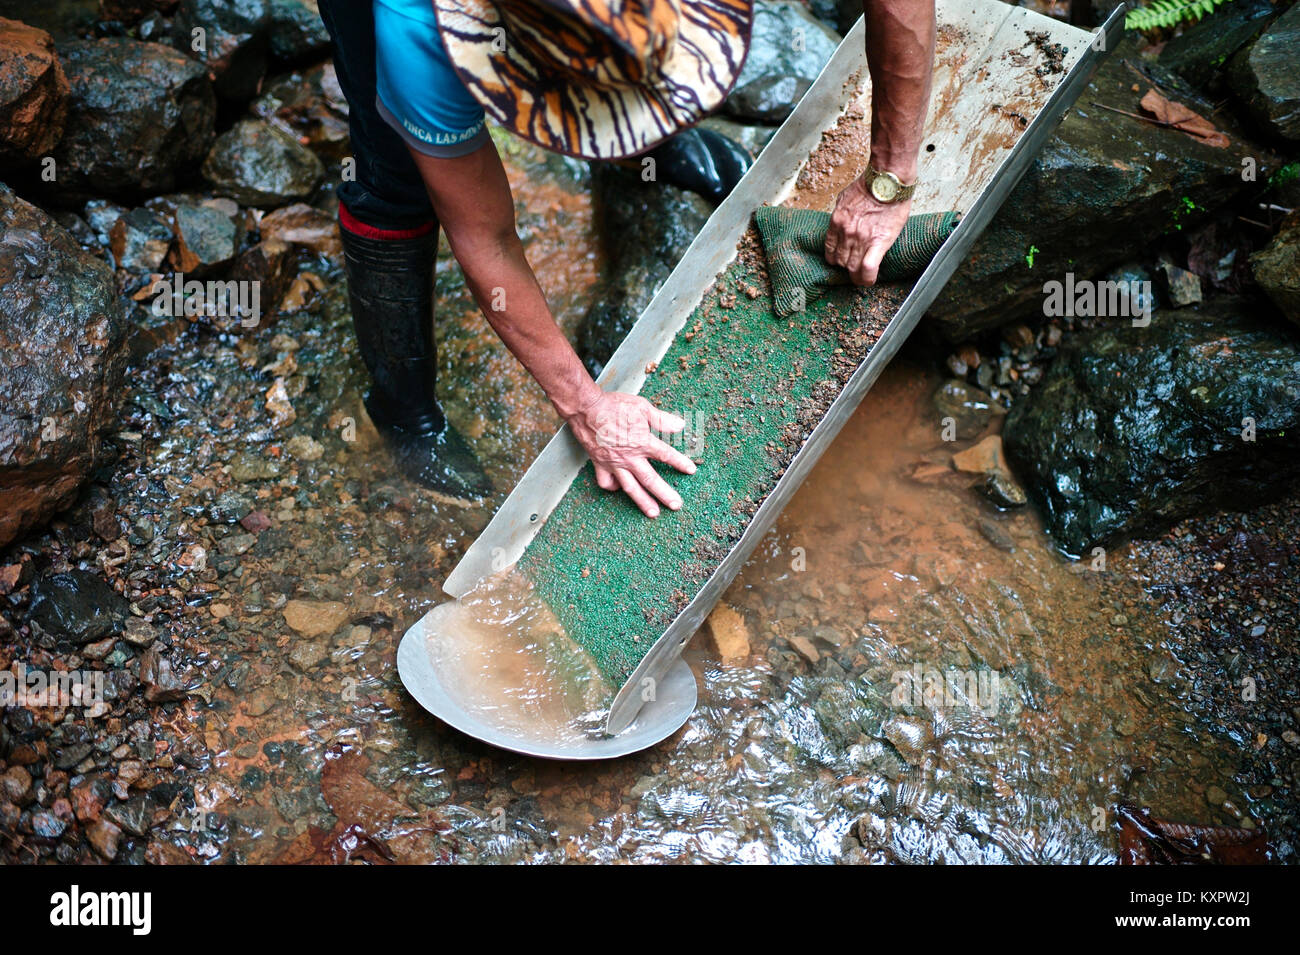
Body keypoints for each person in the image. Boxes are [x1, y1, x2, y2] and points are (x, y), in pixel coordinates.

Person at [316, 0, 936, 517]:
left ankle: (644, 144)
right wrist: (586, 406)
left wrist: (892, 171)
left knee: (623, 78)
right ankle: (401, 408)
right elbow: (485, 238)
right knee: (395, 184)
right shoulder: (416, 35)